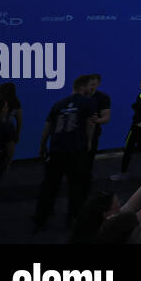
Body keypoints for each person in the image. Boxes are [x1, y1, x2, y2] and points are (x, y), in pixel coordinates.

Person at [33, 75, 96, 230]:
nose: (91, 89)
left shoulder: (58, 104)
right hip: (76, 150)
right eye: (89, 86)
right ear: (81, 86)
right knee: (76, 185)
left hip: (56, 150)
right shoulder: (88, 103)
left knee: (49, 185)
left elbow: (48, 127)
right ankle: (74, 219)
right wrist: (89, 142)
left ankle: (40, 218)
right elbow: (90, 124)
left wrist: (42, 145)